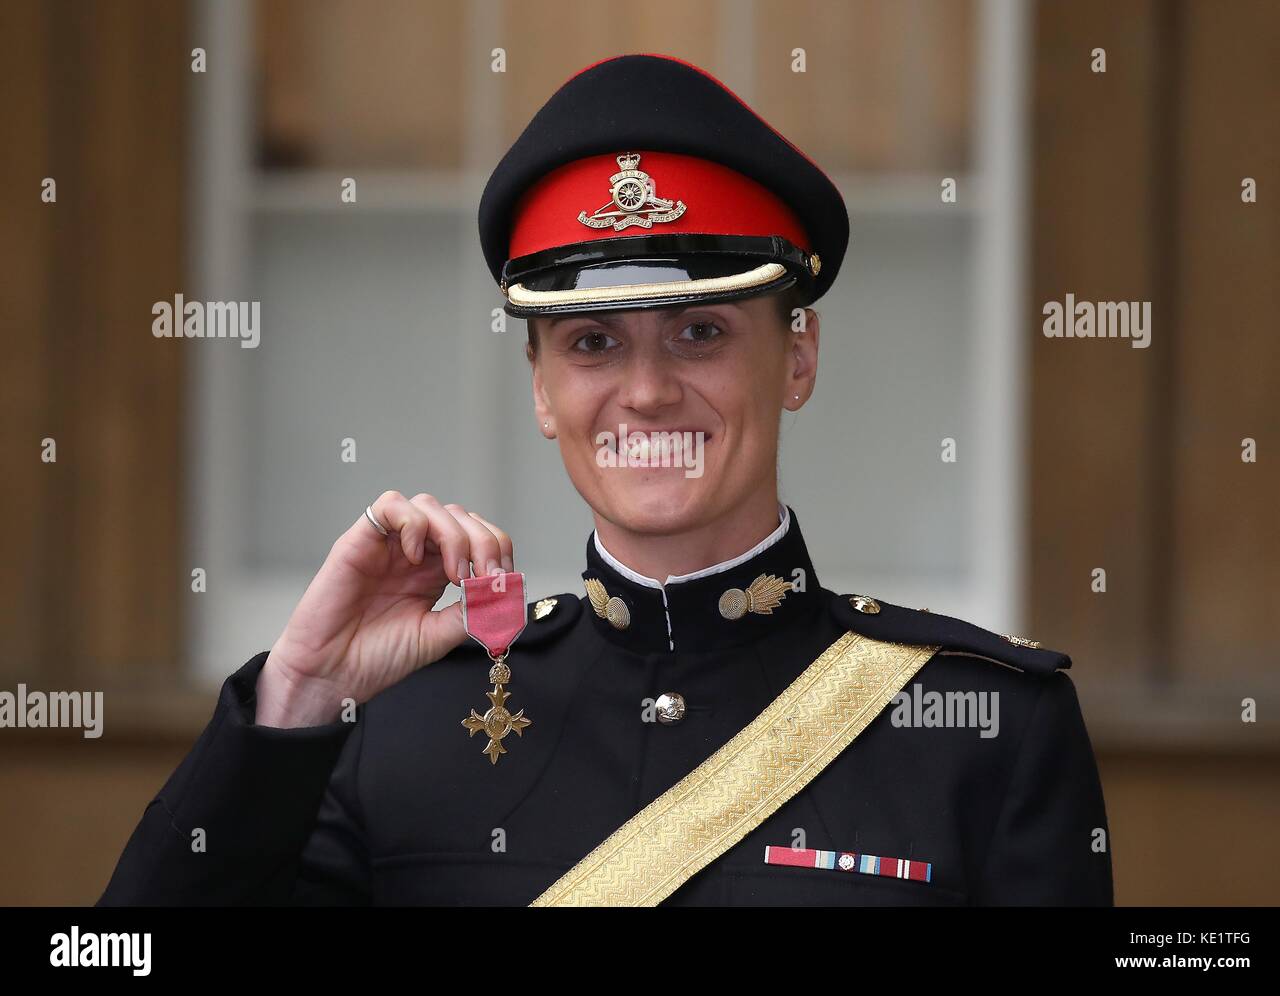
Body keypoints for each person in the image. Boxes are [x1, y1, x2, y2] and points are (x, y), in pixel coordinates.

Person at [100, 53, 1112, 906]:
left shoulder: (986, 729)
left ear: (798, 358)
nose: (645, 391)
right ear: (541, 391)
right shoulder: (396, 726)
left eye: (700, 333)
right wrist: (299, 692)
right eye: (590, 343)